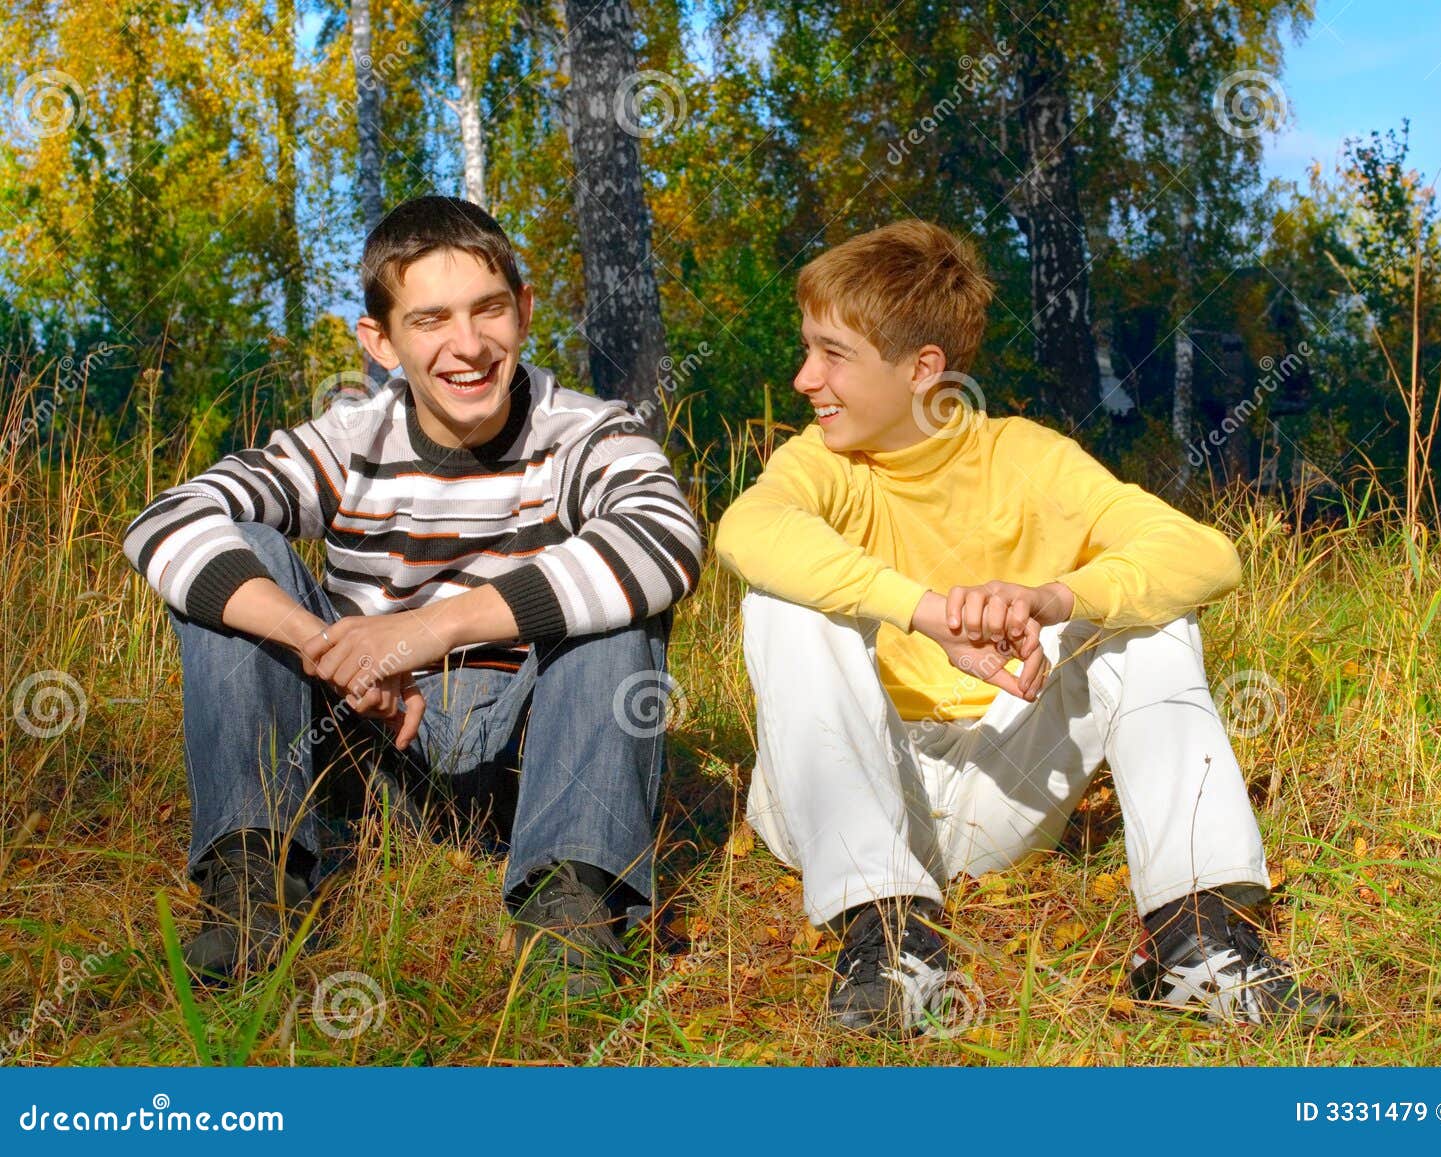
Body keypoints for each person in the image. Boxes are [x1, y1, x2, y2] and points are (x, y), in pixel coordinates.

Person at [714, 220, 1346, 1036]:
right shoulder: (819, 463)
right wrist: (928, 612)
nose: (805, 378)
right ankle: (888, 939)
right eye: (807, 349)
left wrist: (1056, 597)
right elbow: (745, 532)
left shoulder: (1027, 457)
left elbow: (1203, 552)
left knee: (1145, 615)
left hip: (993, 787)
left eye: (833, 354)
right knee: (783, 597)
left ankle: (1197, 939)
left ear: (922, 369)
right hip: (840, 787)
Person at [123, 195, 701, 995]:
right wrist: (318, 642)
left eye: (489, 309)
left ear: (525, 312)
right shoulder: (348, 439)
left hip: (529, 758)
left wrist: (421, 632)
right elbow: (166, 519)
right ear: (382, 341)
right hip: (365, 753)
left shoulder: (590, 433)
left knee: (618, 591)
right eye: (430, 320)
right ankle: (255, 879)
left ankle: (570, 899)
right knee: (242, 551)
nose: (468, 345)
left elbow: (664, 539)